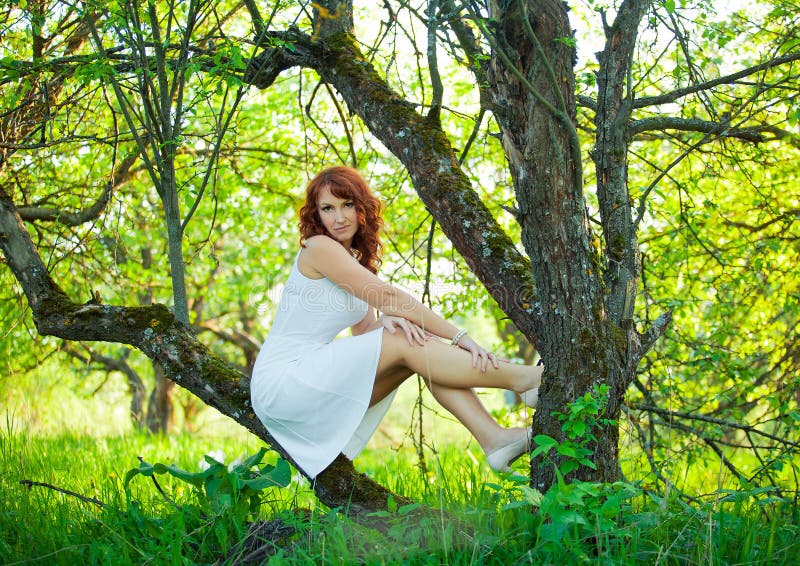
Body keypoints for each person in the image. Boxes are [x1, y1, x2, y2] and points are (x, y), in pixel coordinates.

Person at [250, 166, 543, 479]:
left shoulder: (355, 262)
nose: (339, 218)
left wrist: (394, 319)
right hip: (284, 382)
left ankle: (494, 439)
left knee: (410, 341)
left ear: (362, 207)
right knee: (407, 338)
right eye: (327, 209)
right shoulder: (319, 248)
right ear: (316, 215)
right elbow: (390, 297)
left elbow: (364, 333)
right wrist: (458, 335)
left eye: (347, 205)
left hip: (309, 384)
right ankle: (525, 379)